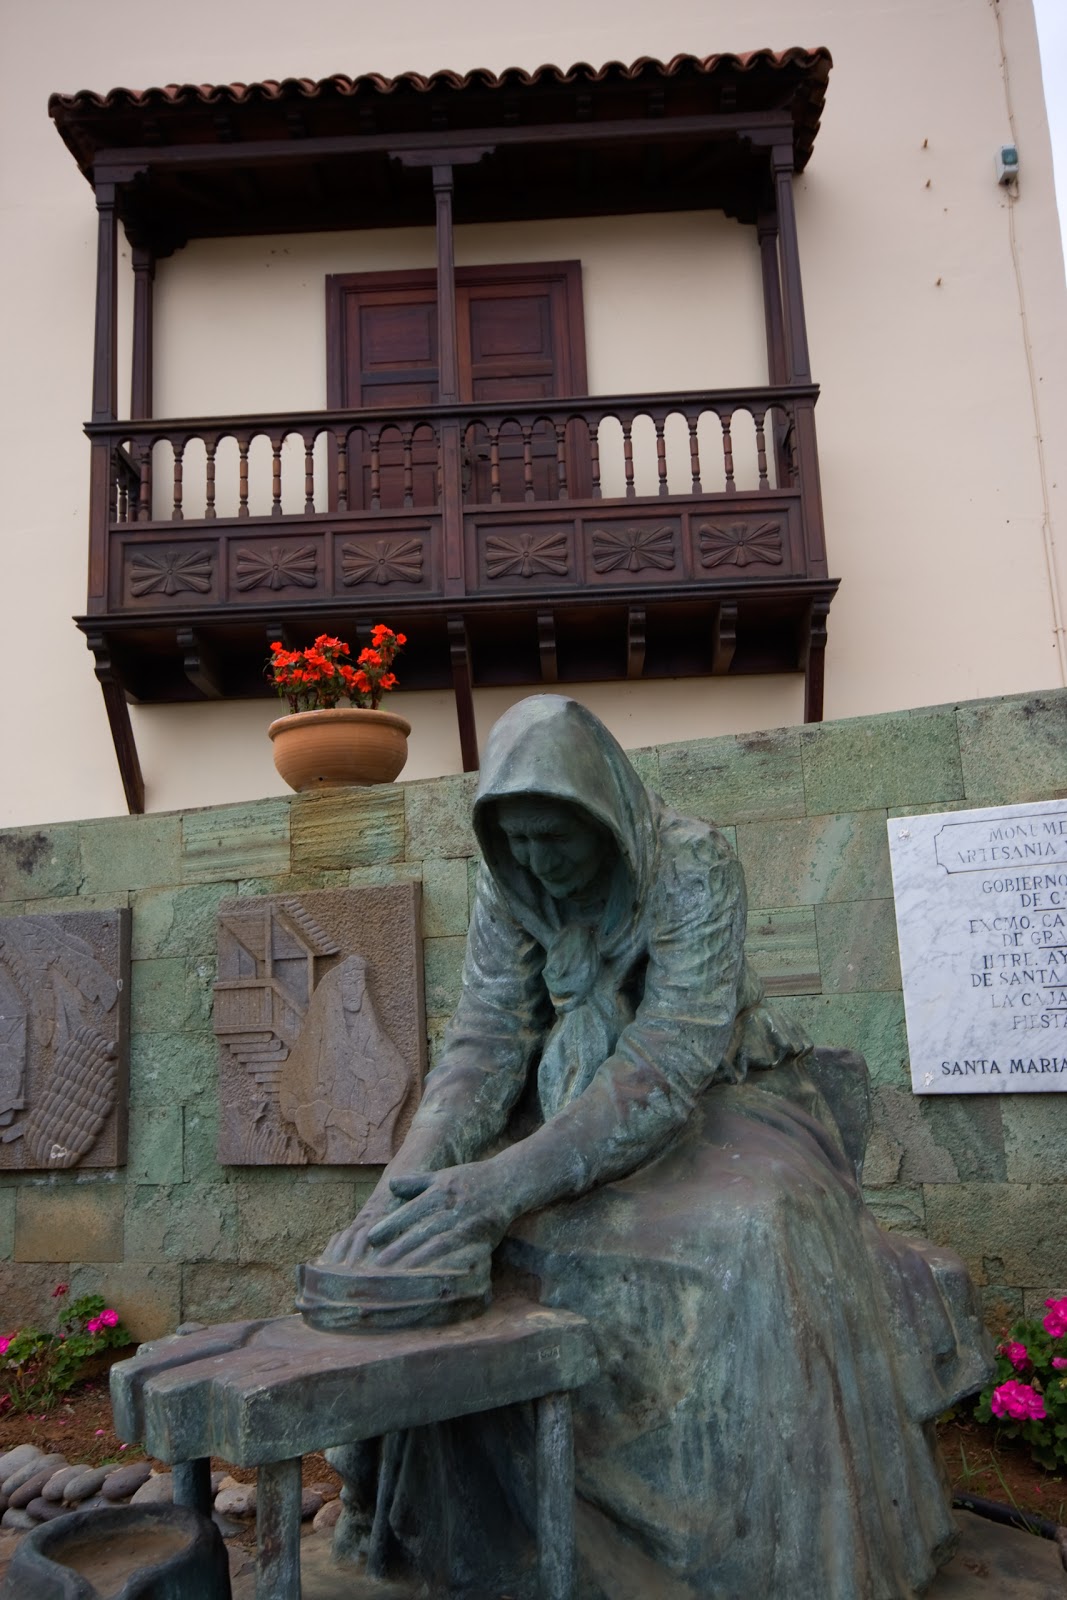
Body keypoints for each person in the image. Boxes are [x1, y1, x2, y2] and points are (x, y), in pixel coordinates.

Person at [316, 694, 990, 1599]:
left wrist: (500, 1185)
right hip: (563, 1107)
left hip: (725, 1102)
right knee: (451, 1242)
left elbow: (670, 1057)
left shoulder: (692, 861)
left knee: (754, 1235)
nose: (537, 862)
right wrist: (398, 1195)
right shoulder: (507, 881)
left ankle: (762, 1565)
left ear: (605, 812)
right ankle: (498, 1552)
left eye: (555, 837)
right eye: (516, 840)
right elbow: (482, 1051)